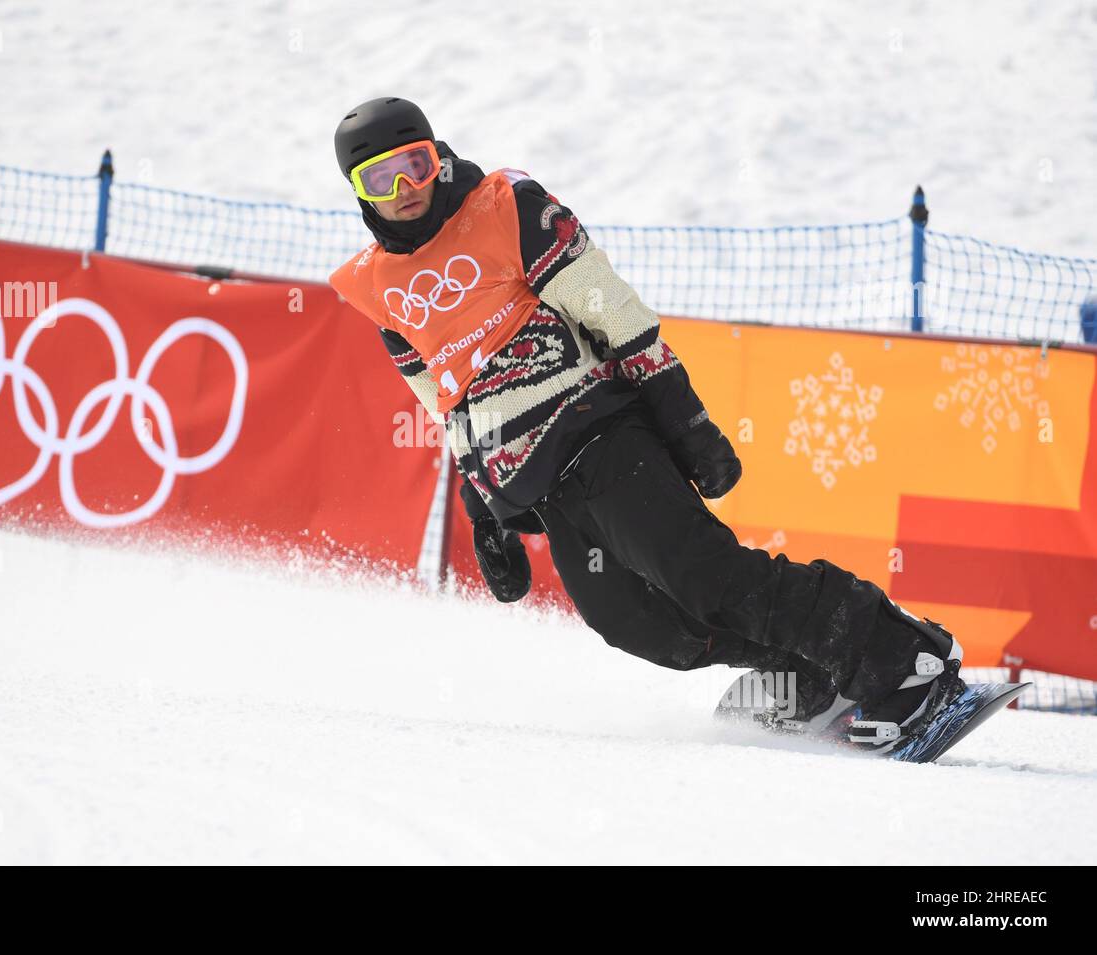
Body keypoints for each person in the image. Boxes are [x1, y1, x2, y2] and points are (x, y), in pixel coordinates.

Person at [328, 96, 964, 750]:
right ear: (357, 191)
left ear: (438, 157)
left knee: (708, 578)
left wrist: (683, 417)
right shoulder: (379, 288)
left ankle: (903, 658)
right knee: (642, 625)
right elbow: (449, 401)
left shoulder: (506, 209)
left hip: (598, 431)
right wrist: (482, 504)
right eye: (380, 177)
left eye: (416, 164)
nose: (405, 188)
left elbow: (616, 314)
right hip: (540, 484)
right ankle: (811, 670)